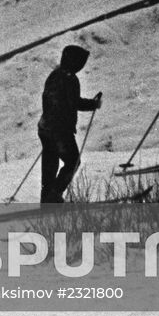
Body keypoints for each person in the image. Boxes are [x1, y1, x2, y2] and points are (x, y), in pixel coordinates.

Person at [39, 45, 102, 203]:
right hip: (59, 130)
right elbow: (74, 102)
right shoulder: (69, 78)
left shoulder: (56, 74)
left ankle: (46, 201)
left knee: (50, 166)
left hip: (45, 128)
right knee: (73, 161)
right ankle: (53, 196)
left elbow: (52, 99)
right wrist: (93, 104)